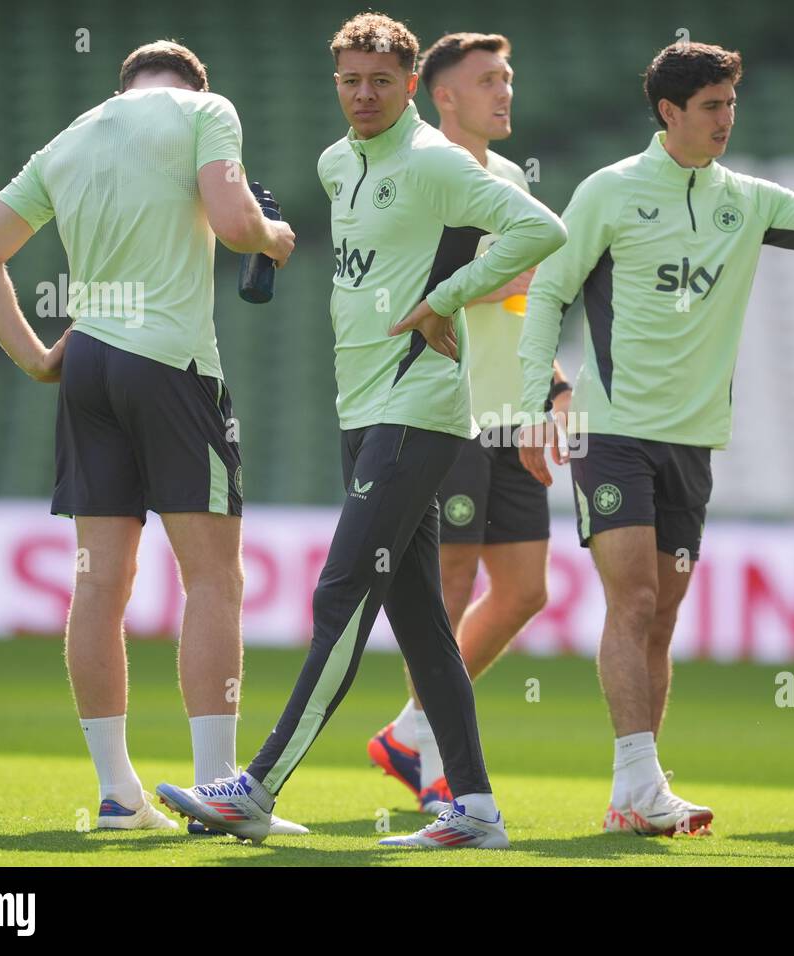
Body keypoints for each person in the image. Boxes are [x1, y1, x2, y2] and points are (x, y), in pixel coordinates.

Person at [517, 40, 794, 836]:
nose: (726, 119)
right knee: (635, 597)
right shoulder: (609, 191)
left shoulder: (746, 199)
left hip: (694, 441)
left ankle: (635, 797)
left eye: (732, 104)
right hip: (610, 431)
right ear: (669, 112)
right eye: (712, 106)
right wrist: (534, 404)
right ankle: (639, 780)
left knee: (665, 612)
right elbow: (548, 291)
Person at [156, 12, 566, 849]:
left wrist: (447, 298)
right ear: (335, 81)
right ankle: (477, 808)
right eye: (349, 79)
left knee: (342, 593)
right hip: (362, 407)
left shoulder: (437, 162)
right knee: (421, 619)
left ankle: (258, 785)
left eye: (381, 79)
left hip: (419, 407)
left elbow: (542, 229)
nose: (364, 93)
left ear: (412, 85)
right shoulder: (337, 163)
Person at [0, 40, 297, 833]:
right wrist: (274, 239)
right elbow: (236, 221)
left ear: (126, 85)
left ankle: (117, 794)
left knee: (99, 584)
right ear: (192, 82)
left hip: (89, 368)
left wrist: (40, 359)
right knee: (214, 578)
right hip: (170, 363)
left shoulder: (70, 137)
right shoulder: (208, 112)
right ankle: (218, 792)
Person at [367, 31, 572, 814]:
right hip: (445, 409)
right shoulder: (422, 174)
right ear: (441, 95)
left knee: (524, 591)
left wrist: (551, 383)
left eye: (508, 77)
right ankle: (434, 756)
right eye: (488, 80)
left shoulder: (511, 178)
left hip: (509, 412)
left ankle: (409, 731)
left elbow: (526, 301)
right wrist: (519, 269)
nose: (505, 91)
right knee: (449, 581)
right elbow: (406, 297)